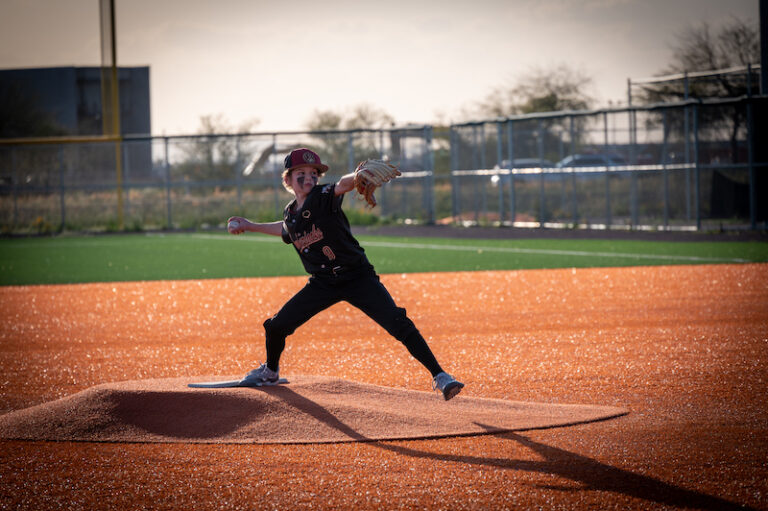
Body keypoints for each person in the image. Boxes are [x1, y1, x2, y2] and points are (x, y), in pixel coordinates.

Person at [227, 148, 464, 400]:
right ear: (287, 179)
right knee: (276, 326)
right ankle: (270, 371)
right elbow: (286, 229)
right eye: (301, 173)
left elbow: (341, 185)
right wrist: (250, 225)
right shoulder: (291, 213)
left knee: (398, 323)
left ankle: (440, 376)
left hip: (357, 277)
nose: (309, 178)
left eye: (314, 173)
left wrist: (359, 173)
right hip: (323, 283)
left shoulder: (322, 196)